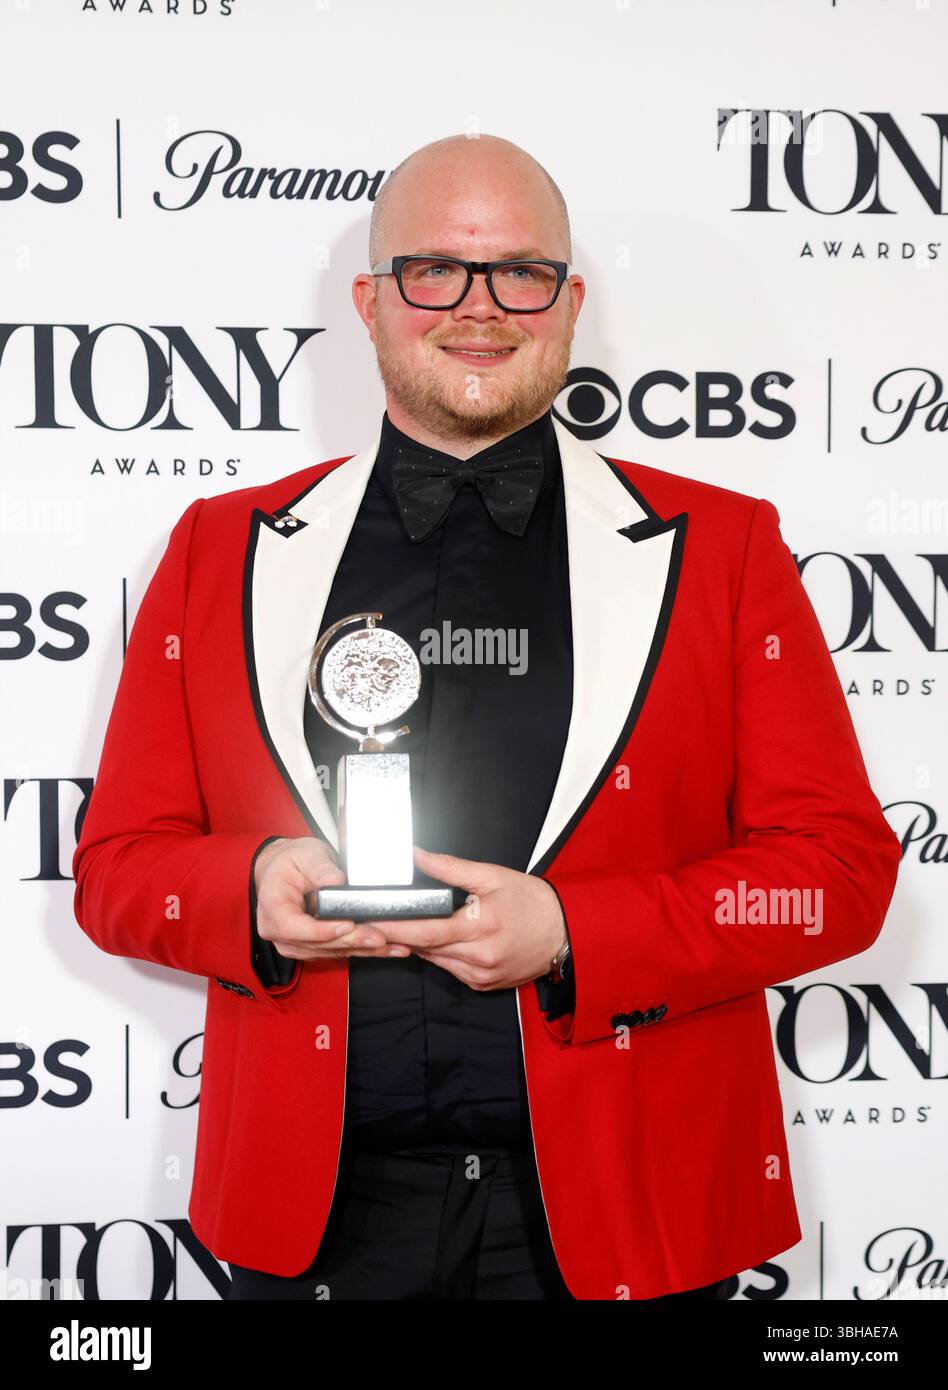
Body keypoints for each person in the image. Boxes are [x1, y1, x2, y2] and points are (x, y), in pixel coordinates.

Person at [72, 133, 901, 1301]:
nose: (478, 307)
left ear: (569, 303)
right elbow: (116, 870)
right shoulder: (219, 549)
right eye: (434, 271)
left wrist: (577, 930)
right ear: (368, 302)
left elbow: (837, 875)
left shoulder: (724, 551)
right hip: (311, 1224)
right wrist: (251, 894)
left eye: (519, 271)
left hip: (630, 1210)